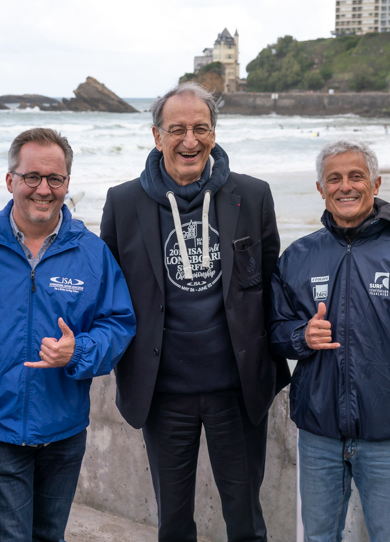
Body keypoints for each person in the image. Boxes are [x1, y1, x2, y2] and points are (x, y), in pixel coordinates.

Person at [100, 82, 291, 542]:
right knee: (173, 522)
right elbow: (108, 291)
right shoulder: (123, 202)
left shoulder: (253, 195)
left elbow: (269, 282)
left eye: (201, 128)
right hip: (163, 393)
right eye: (177, 129)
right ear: (156, 135)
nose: (190, 140)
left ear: (214, 132)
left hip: (238, 390)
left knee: (245, 518)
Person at [268, 139, 390, 542]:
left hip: (387, 427)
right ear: (321, 189)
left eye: (356, 176)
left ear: (375, 182)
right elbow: (274, 330)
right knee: (319, 536)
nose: (346, 187)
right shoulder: (298, 256)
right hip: (318, 427)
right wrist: (300, 336)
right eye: (334, 179)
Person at [0, 128, 135, 542]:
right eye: (31, 177)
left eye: (54, 179)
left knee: (48, 537)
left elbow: (119, 324)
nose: (43, 189)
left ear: (67, 184)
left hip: (64, 431)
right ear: (10, 181)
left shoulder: (92, 252)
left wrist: (79, 350)